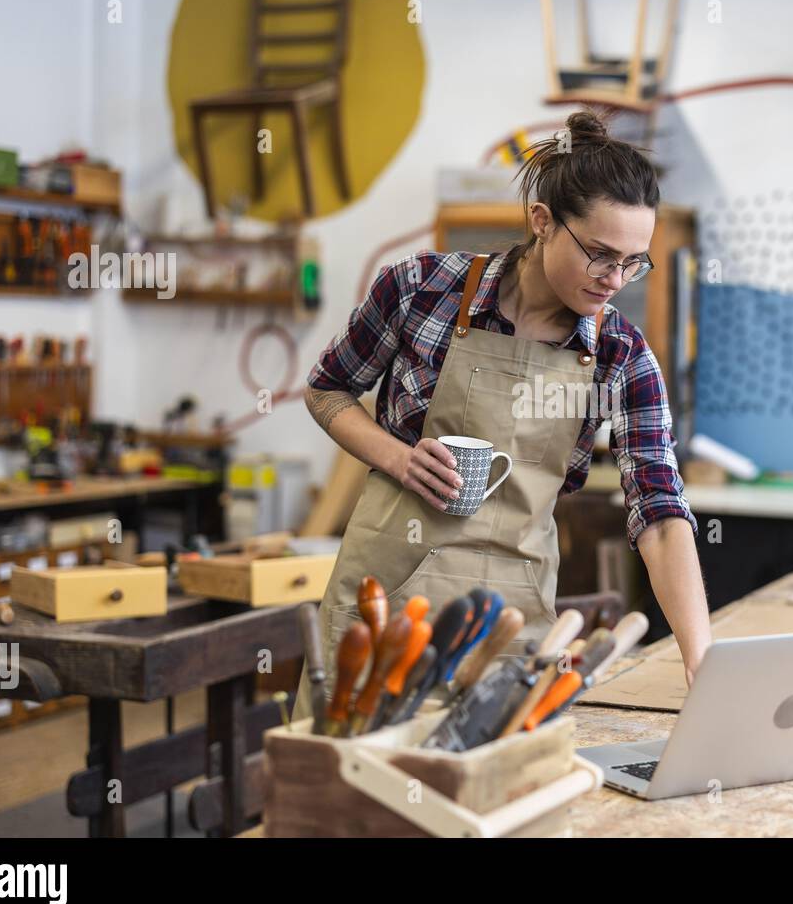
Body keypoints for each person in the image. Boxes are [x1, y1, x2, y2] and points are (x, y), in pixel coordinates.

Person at [294, 111, 711, 721]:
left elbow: (659, 511)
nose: (614, 280)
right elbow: (328, 389)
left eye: (633, 262)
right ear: (542, 221)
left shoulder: (620, 353)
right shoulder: (420, 289)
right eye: (599, 254)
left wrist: (699, 658)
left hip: (508, 626)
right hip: (384, 611)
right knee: (340, 792)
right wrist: (398, 457)